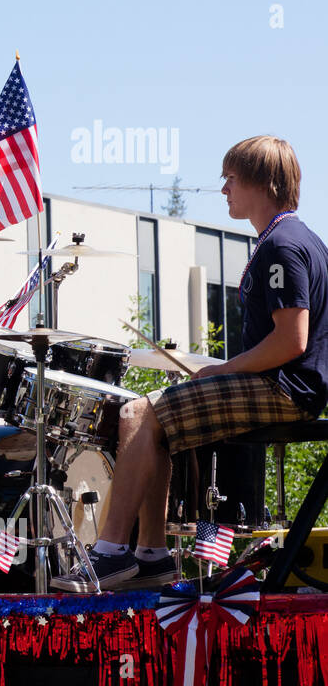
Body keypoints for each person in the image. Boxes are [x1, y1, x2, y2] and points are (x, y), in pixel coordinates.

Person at [55, 136, 328, 591]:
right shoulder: (298, 239)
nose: (223, 188)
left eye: (231, 178)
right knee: (153, 420)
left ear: (261, 182)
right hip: (289, 387)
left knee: (135, 413)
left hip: (285, 391)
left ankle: (110, 553)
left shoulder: (282, 245)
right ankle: (153, 556)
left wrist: (223, 369)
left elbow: (292, 340)